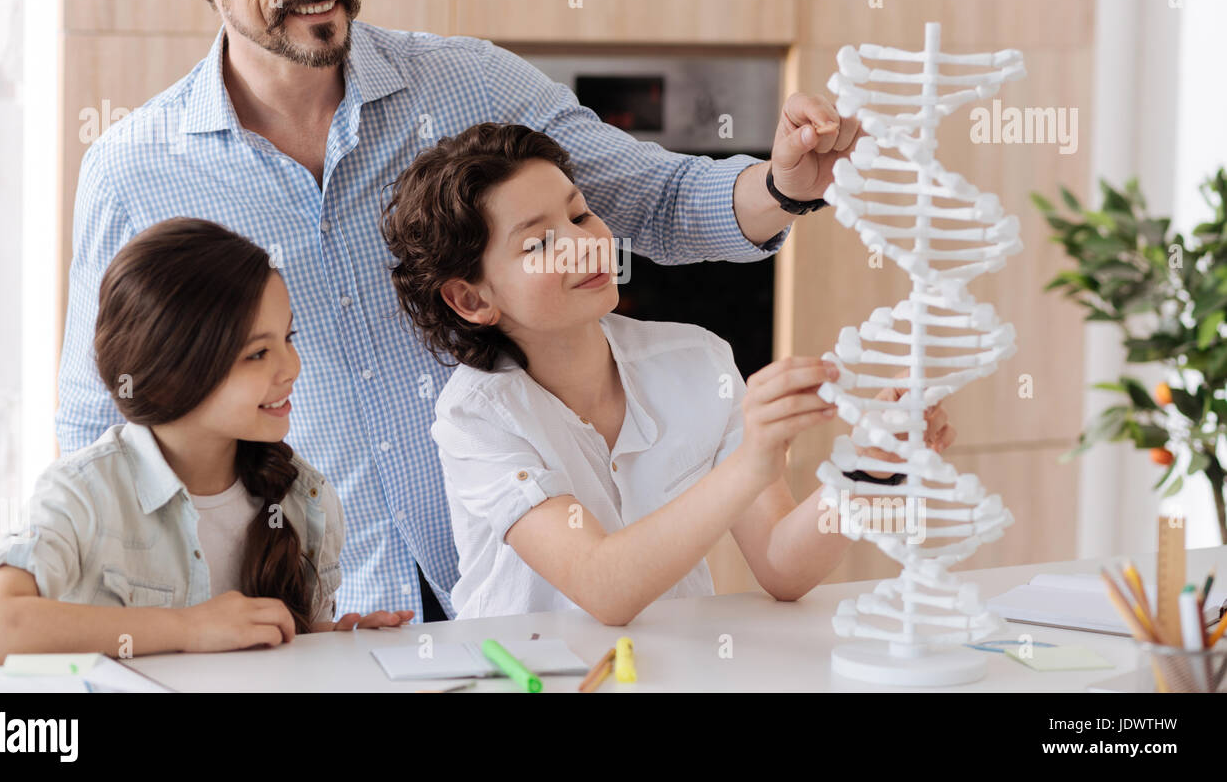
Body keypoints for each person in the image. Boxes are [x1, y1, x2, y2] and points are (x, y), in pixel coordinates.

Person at [58, 0, 865, 625]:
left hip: (527, 603)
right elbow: (100, 428)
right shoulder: (135, 169)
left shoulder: (469, 83)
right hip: (319, 623)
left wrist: (783, 185)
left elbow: (650, 199)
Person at [382, 123, 955, 622]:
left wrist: (867, 472)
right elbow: (602, 586)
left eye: (580, 213)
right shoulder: (476, 418)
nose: (584, 244)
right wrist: (752, 462)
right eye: (539, 243)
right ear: (471, 299)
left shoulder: (696, 361)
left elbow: (783, 565)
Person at [0, 219, 412, 666]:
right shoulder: (84, 495)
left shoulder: (305, 500)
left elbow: (279, 660)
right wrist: (189, 628)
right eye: (257, 353)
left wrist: (336, 645)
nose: (291, 366)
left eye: (288, 337)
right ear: (175, 372)